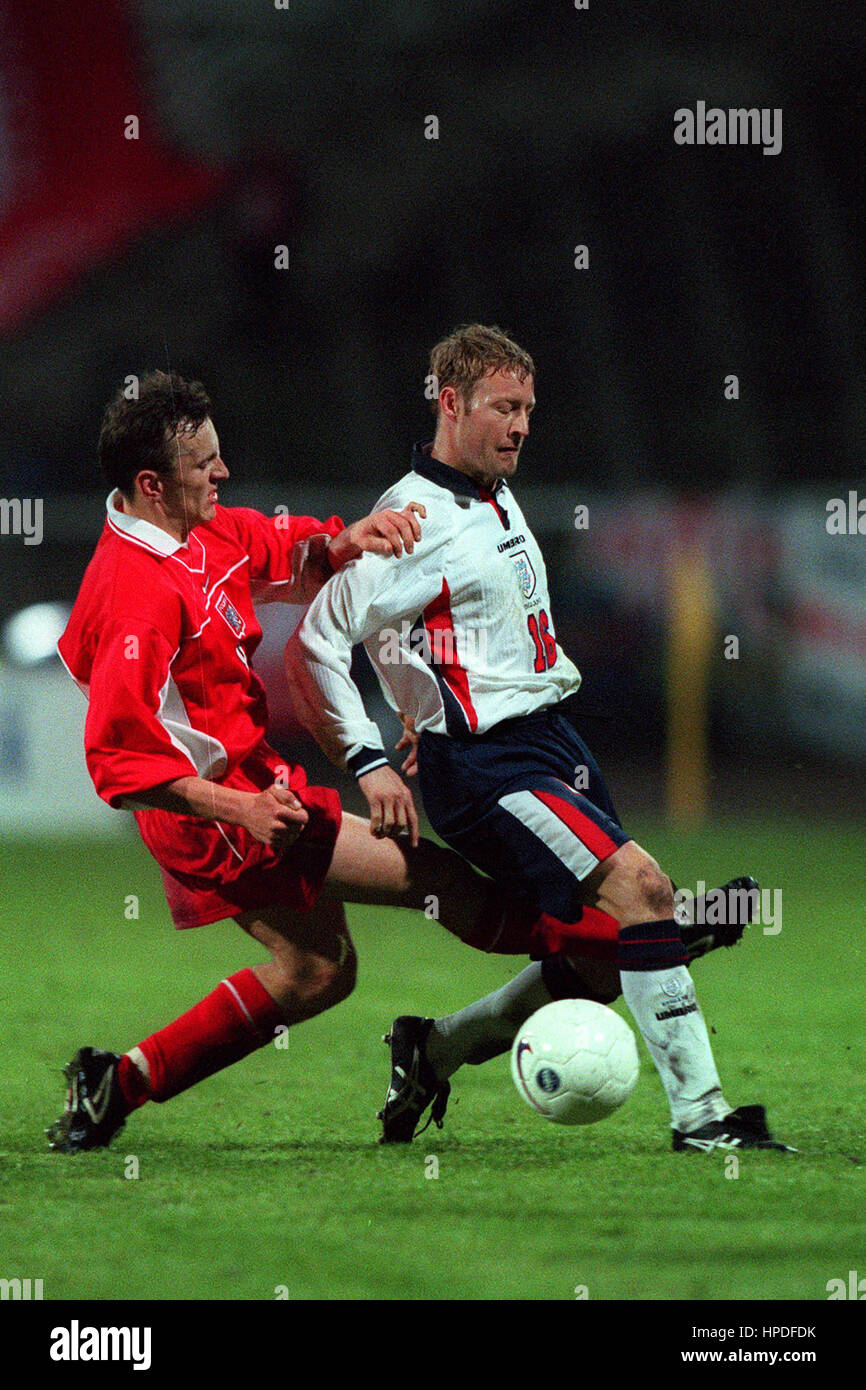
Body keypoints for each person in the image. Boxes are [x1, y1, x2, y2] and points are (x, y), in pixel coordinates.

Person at [47, 368, 596, 1155]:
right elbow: (115, 763)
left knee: (317, 971)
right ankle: (624, 939)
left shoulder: (193, 532)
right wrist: (242, 809)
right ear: (151, 483)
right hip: (220, 814)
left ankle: (116, 1083)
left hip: (249, 784)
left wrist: (345, 541)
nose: (222, 473)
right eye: (205, 464)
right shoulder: (133, 591)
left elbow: (280, 552)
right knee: (430, 879)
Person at [285, 324, 796, 1154]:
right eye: (504, 408)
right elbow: (317, 641)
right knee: (645, 896)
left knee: (601, 959)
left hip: (554, 745)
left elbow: (404, 630)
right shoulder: (410, 516)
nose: (521, 426)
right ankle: (703, 1119)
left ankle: (433, 1048)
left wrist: (417, 693)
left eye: (528, 408)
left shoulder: (489, 490)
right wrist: (372, 759)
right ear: (451, 403)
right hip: (488, 768)